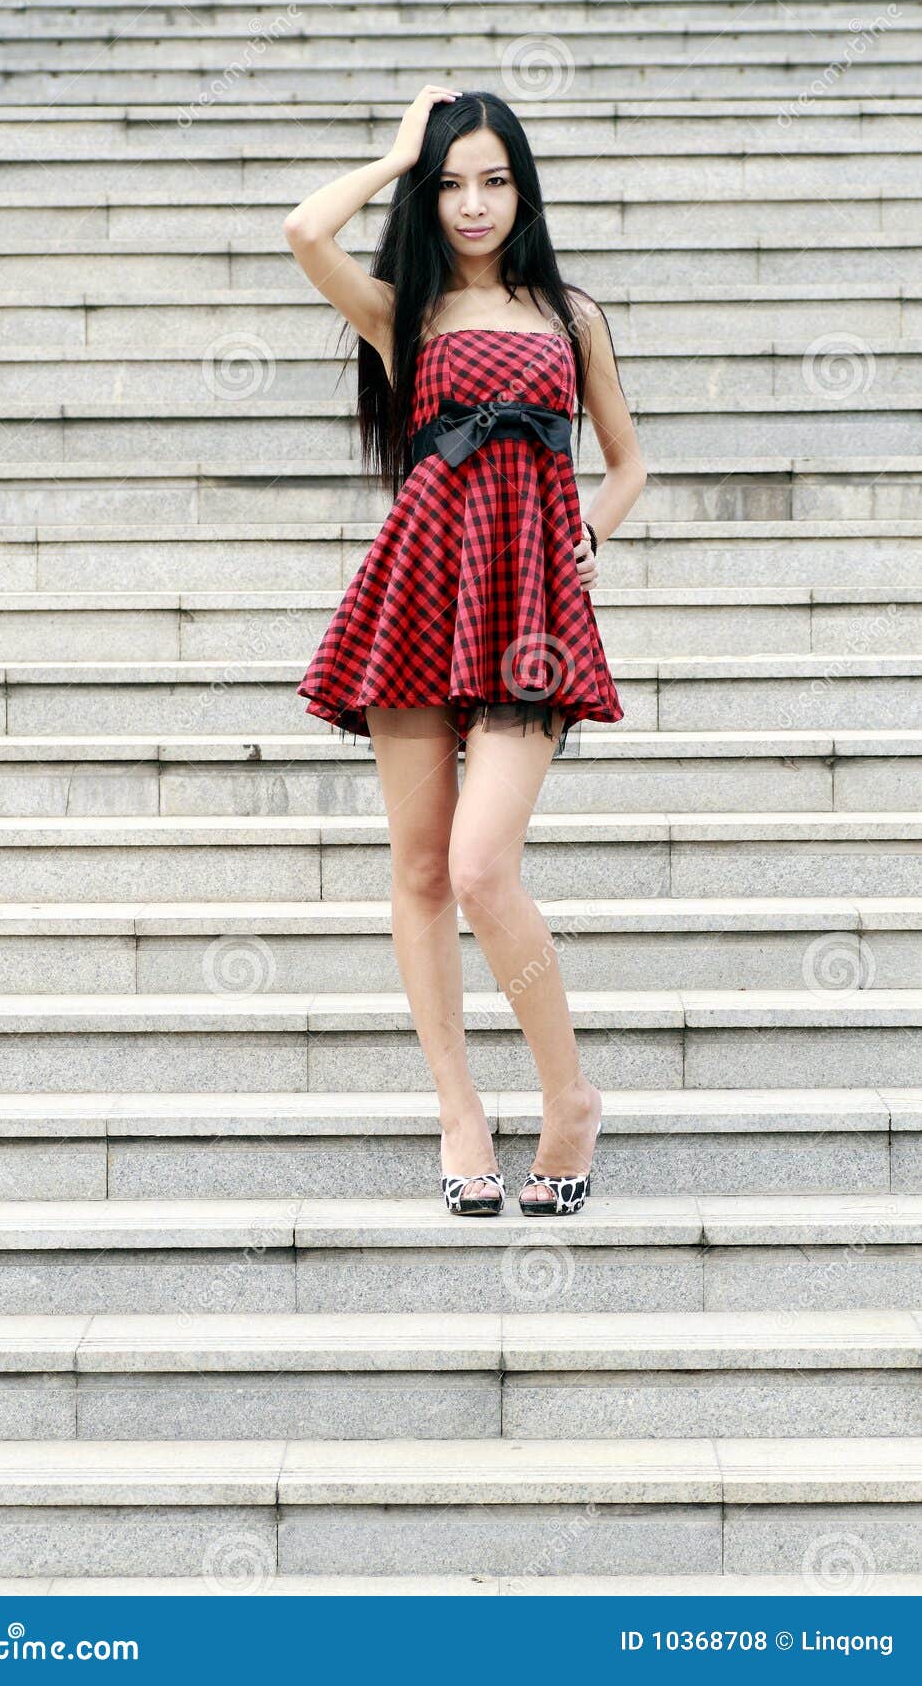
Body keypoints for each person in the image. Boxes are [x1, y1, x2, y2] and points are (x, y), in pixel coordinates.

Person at [284, 86, 647, 1217]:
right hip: (416, 597)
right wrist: (399, 150)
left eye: (493, 180)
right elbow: (303, 230)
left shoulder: (569, 316)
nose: (472, 203)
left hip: (527, 608)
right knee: (421, 871)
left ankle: (569, 1098)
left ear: (522, 190)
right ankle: (460, 1112)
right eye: (449, 184)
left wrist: (591, 531)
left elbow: (628, 462)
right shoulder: (403, 313)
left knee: (482, 867)